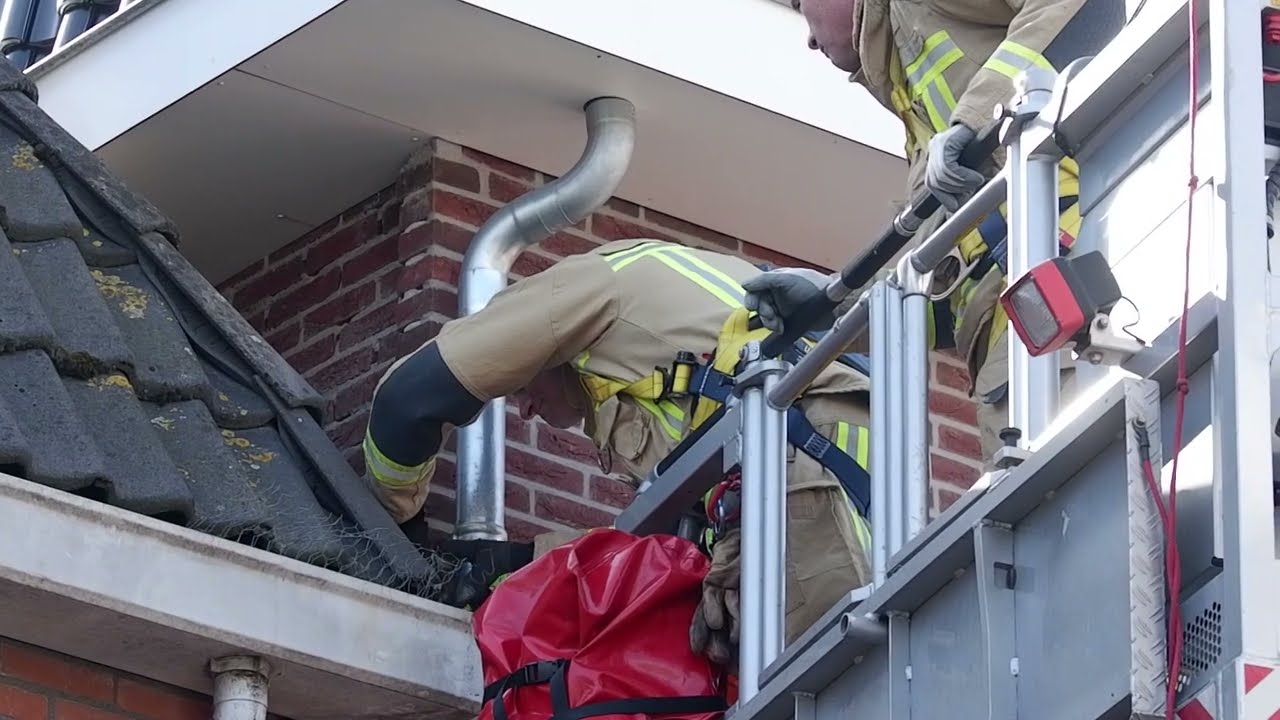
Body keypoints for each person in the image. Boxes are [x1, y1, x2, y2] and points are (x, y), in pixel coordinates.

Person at [361, 238, 876, 665]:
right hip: (822, 488)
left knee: (839, 679)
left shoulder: (589, 287)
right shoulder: (643, 362)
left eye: (516, 388)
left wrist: (392, 536)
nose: (525, 411)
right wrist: (517, 561)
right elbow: (669, 546)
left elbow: (407, 401)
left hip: (812, 475)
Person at [748, 0, 1088, 465]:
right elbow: (942, 300)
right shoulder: (916, 108)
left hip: (1072, 270)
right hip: (1020, 341)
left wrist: (973, 119)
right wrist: (830, 303)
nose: (808, 36)